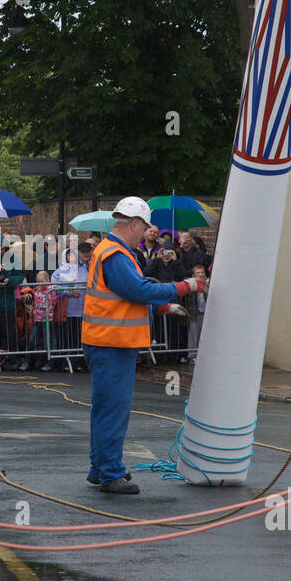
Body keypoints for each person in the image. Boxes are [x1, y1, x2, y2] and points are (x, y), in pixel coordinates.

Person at [81, 197, 206, 493]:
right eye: (145, 227)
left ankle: (100, 468)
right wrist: (183, 286)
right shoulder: (116, 254)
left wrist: (162, 308)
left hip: (106, 341)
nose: (147, 233)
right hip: (112, 344)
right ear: (134, 224)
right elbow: (137, 290)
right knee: (113, 410)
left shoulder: (112, 251)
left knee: (105, 408)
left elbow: (124, 298)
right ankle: (110, 473)